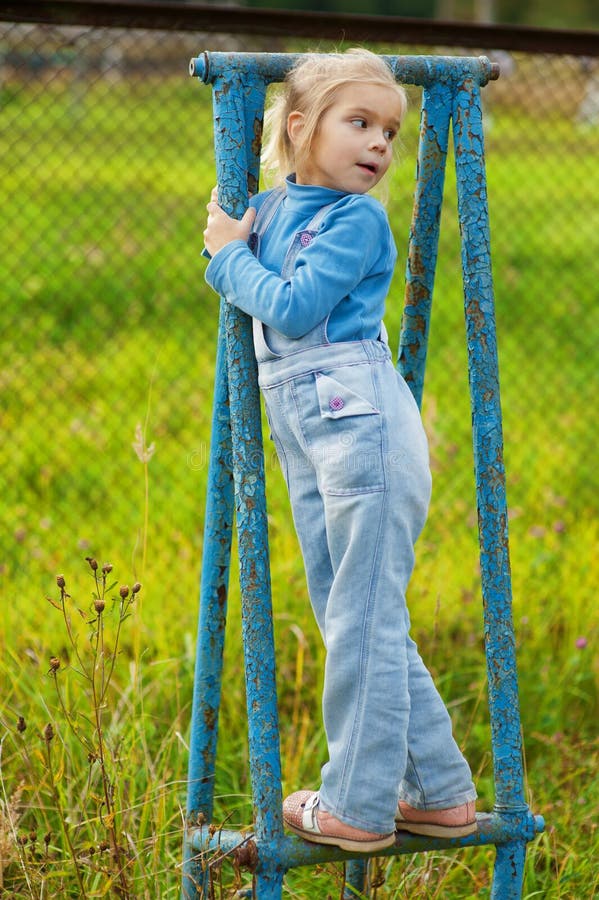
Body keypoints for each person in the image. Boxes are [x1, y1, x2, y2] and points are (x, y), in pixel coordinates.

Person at [203, 48, 477, 853]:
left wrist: (227, 258)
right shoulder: (275, 205)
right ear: (298, 127)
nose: (380, 144)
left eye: (389, 130)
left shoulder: (355, 219)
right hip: (314, 435)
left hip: (363, 434)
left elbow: (290, 307)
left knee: (360, 614)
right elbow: (248, 265)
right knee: (352, 614)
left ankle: (356, 803)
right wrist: (235, 242)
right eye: (359, 123)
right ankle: (437, 792)